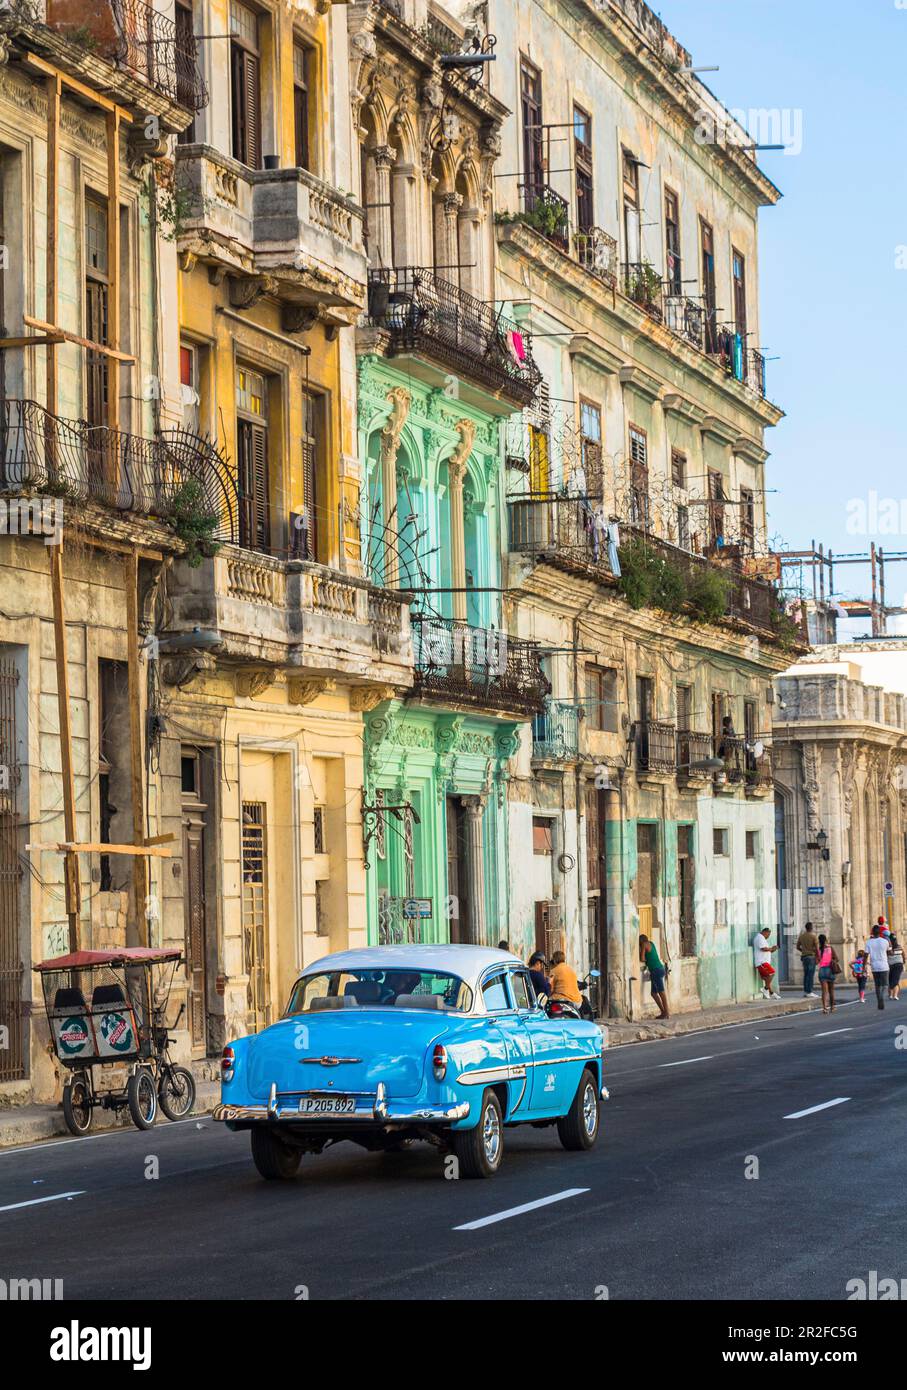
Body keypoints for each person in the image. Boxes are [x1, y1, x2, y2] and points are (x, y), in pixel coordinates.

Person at [639, 933, 669, 1019]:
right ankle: (663, 1012)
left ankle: (666, 1012)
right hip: (660, 968)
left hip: (655, 970)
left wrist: (641, 951)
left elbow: (642, 958)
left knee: (661, 993)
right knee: (654, 993)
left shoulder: (644, 945)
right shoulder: (651, 943)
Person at [866, 924, 891, 1010]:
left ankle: (879, 1000)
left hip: (874, 966)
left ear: (872, 932)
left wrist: (863, 967)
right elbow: (890, 953)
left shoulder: (869, 942)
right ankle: (881, 997)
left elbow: (866, 955)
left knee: (877, 985)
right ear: (880, 932)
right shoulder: (885, 941)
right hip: (884, 966)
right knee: (885, 985)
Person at [753, 927, 780, 1000]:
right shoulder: (759, 938)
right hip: (762, 962)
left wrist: (773, 949)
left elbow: (767, 950)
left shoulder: (762, 939)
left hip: (764, 962)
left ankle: (771, 993)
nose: (768, 936)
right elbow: (763, 948)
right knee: (772, 973)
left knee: (766, 978)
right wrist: (771, 948)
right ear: (765, 932)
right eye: (768, 934)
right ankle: (765, 989)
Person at [816, 933, 841, 1014]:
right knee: (831, 990)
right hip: (830, 970)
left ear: (819, 941)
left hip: (822, 971)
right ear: (826, 940)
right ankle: (832, 1007)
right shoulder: (830, 948)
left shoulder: (818, 950)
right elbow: (837, 959)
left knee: (824, 991)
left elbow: (816, 961)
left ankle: (824, 1008)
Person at [796, 921, 820, 998]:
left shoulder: (802, 936)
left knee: (806, 974)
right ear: (811, 928)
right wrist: (818, 957)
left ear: (806, 928)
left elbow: (797, 947)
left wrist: (803, 951)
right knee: (810, 974)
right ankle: (810, 991)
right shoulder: (814, 936)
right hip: (811, 957)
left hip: (804, 957)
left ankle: (806, 991)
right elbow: (816, 948)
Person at [888, 935, 904, 1000]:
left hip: (894, 965)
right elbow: (903, 954)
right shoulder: (899, 947)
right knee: (893, 980)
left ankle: (894, 995)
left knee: (894, 980)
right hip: (897, 965)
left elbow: (889, 954)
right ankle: (892, 995)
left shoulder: (888, 948)